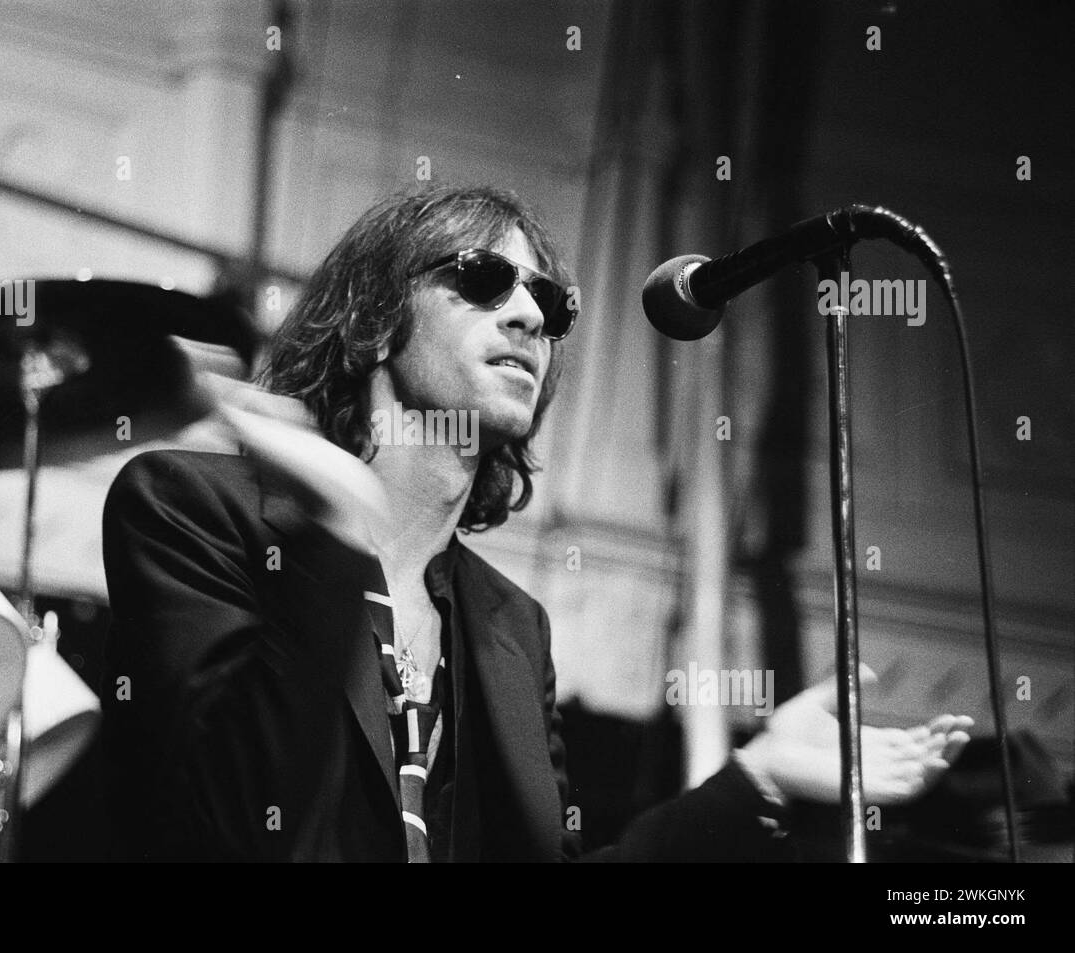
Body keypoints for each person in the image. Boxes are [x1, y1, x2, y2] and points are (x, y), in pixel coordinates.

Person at [100, 184, 971, 862]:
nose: (527, 314)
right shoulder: (192, 506)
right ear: (371, 323)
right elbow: (228, 822)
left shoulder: (511, 628)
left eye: (551, 306)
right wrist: (332, 536)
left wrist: (756, 781)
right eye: (481, 279)